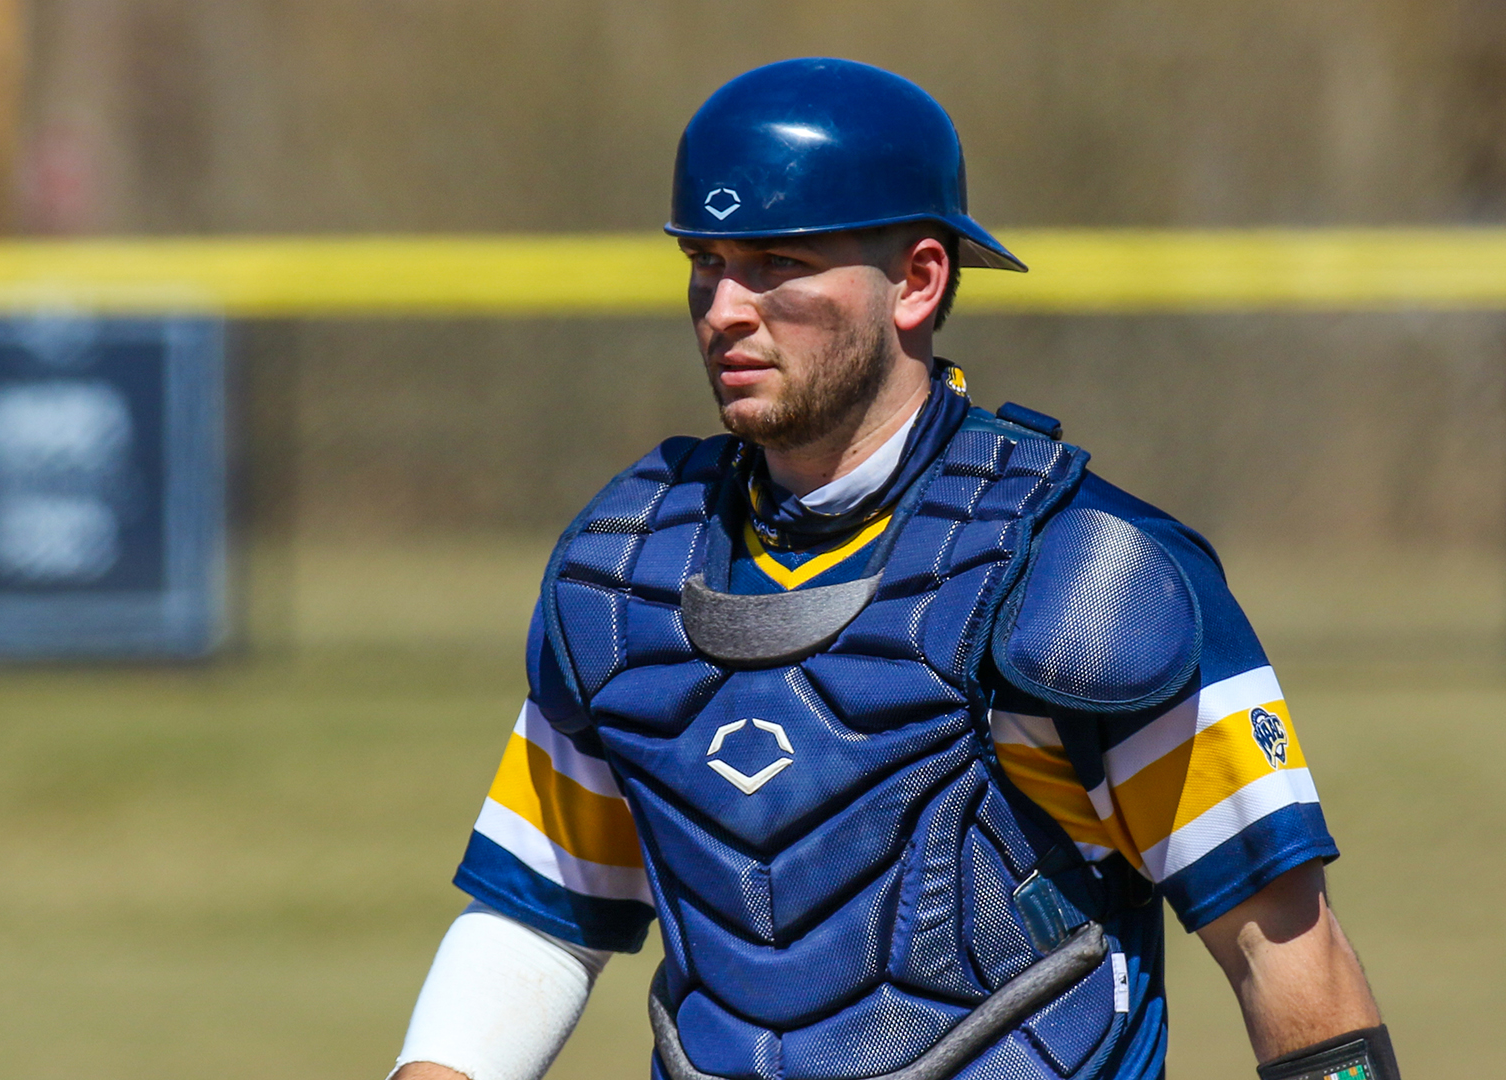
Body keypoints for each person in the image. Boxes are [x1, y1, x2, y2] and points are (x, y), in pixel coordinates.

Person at [391, 57, 1396, 1080]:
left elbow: (1286, 955)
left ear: (918, 280)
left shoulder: (1087, 579)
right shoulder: (624, 580)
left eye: (778, 262)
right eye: (705, 260)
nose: (724, 306)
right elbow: (537, 920)